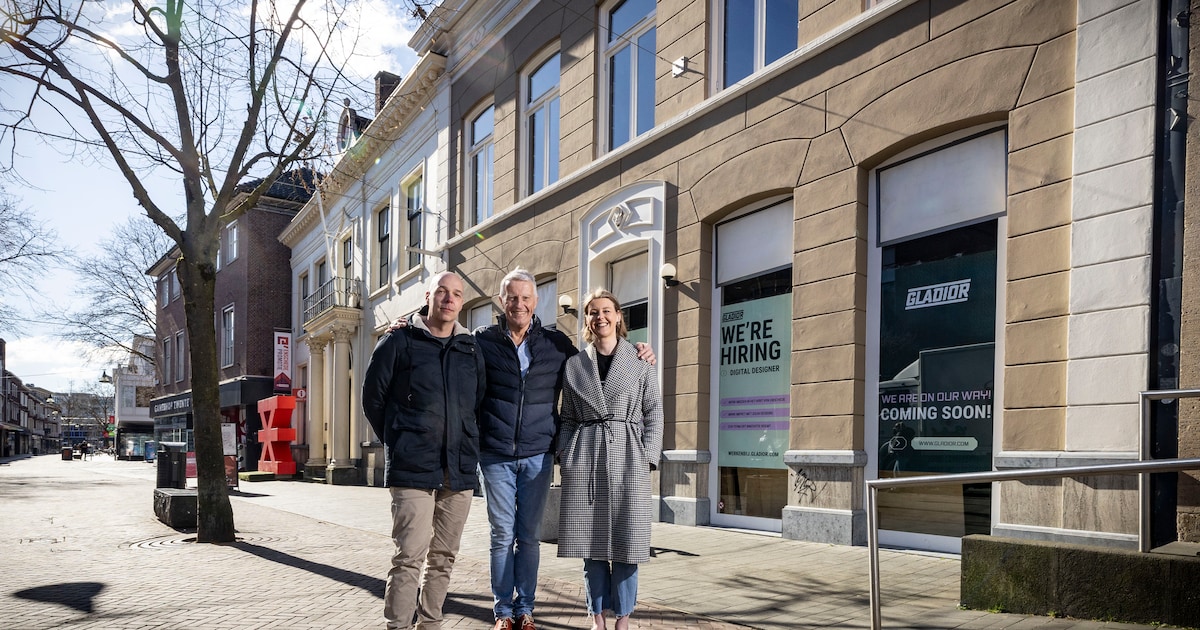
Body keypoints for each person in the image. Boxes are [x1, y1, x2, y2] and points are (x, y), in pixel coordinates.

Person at [390, 268, 654, 630]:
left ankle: (525, 609)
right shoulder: (480, 341)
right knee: (502, 536)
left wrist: (640, 349)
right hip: (495, 454)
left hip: (538, 454)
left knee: (529, 538)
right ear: (502, 301)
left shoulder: (557, 345)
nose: (519, 304)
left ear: (536, 301)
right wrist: (408, 323)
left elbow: (602, 371)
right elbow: (442, 336)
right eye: (512, 297)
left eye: (526, 298)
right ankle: (503, 612)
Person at [362, 271, 487, 630]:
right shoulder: (398, 341)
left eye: (456, 294)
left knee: (444, 557)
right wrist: (400, 440)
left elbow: (477, 403)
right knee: (409, 557)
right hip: (412, 469)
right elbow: (373, 399)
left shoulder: (470, 349)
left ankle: (430, 624)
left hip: (458, 470)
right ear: (429, 297)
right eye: (442, 292)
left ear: (461, 302)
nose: (449, 299)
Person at [556, 289, 663, 630]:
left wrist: (647, 458)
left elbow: (654, 412)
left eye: (606, 310)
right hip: (585, 456)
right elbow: (567, 417)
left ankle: (624, 618)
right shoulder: (575, 365)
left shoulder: (640, 359)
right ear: (587, 320)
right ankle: (597, 617)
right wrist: (566, 455)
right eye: (593, 312)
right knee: (591, 545)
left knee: (629, 543)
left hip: (628, 455)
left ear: (618, 317)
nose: (599, 317)